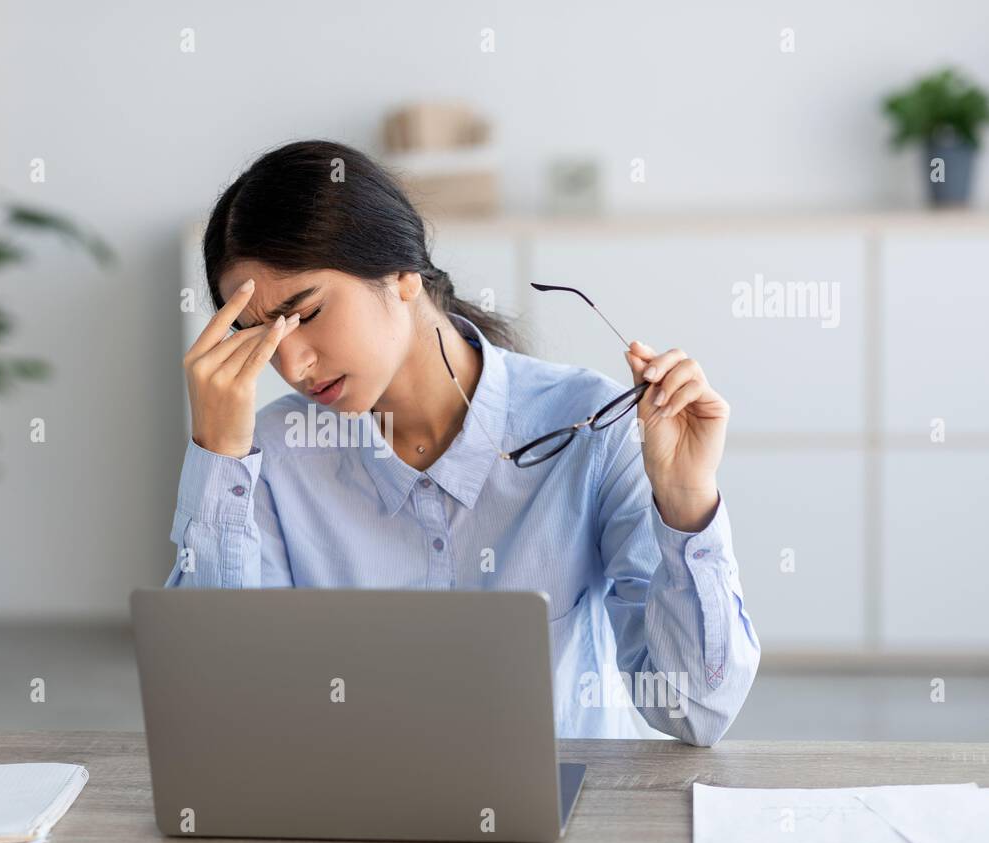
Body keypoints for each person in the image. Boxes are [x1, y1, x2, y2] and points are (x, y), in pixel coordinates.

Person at [166, 140, 759, 746]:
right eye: (256, 334)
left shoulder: (592, 429)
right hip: (354, 824)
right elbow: (219, 719)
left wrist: (686, 502)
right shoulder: (267, 457)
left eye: (308, 313)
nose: (291, 363)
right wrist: (217, 460)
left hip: (566, 824)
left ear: (400, 275)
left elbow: (697, 710)